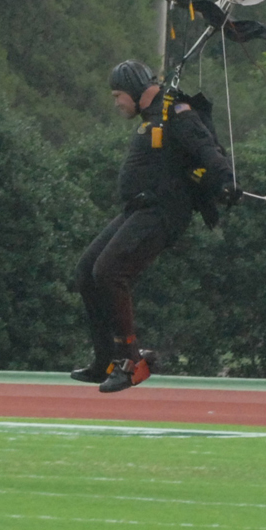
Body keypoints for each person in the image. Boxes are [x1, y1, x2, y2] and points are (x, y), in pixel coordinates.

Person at [71, 59, 235, 392]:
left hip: (163, 212)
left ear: (133, 90)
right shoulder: (154, 114)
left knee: (109, 271)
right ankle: (106, 359)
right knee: (86, 271)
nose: (116, 102)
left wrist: (226, 182)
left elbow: (208, 150)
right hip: (139, 208)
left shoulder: (177, 113)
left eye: (118, 94)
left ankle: (131, 362)